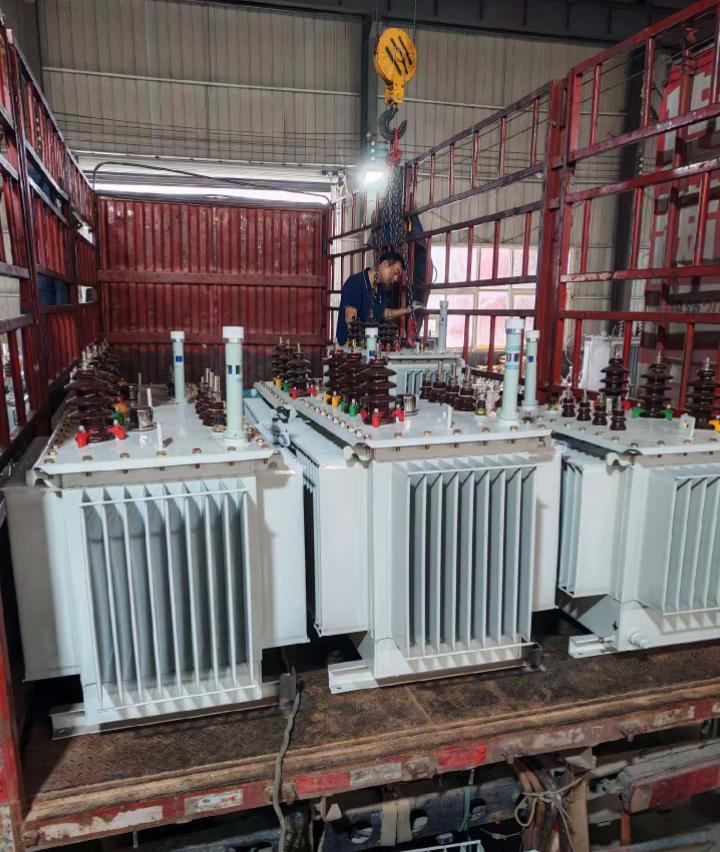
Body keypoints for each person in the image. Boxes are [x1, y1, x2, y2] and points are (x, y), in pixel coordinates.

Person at [335, 248, 412, 345]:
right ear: (385, 264)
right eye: (396, 273)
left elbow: (383, 312)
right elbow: (350, 318)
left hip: (370, 345)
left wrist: (408, 310)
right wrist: (365, 344)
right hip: (350, 347)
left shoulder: (380, 289)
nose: (396, 279)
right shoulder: (355, 283)